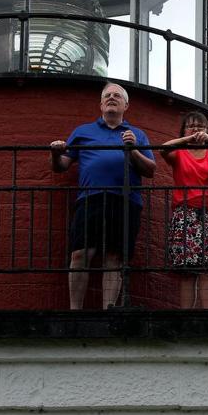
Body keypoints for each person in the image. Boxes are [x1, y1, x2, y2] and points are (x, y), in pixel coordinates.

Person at [50, 83, 157, 309]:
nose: (111, 97)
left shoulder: (137, 134)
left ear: (126, 105)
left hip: (125, 201)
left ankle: (109, 309)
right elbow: (61, 166)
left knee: (115, 257)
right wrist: (55, 154)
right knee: (80, 254)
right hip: (90, 198)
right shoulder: (82, 131)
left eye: (117, 95)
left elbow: (150, 170)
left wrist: (133, 149)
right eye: (107, 95)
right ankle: (75, 311)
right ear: (100, 104)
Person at [159, 111, 208, 309]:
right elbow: (163, 149)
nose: (196, 130)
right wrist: (188, 139)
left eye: (200, 126)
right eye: (190, 126)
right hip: (185, 213)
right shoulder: (179, 153)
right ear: (183, 130)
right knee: (187, 269)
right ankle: (186, 316)